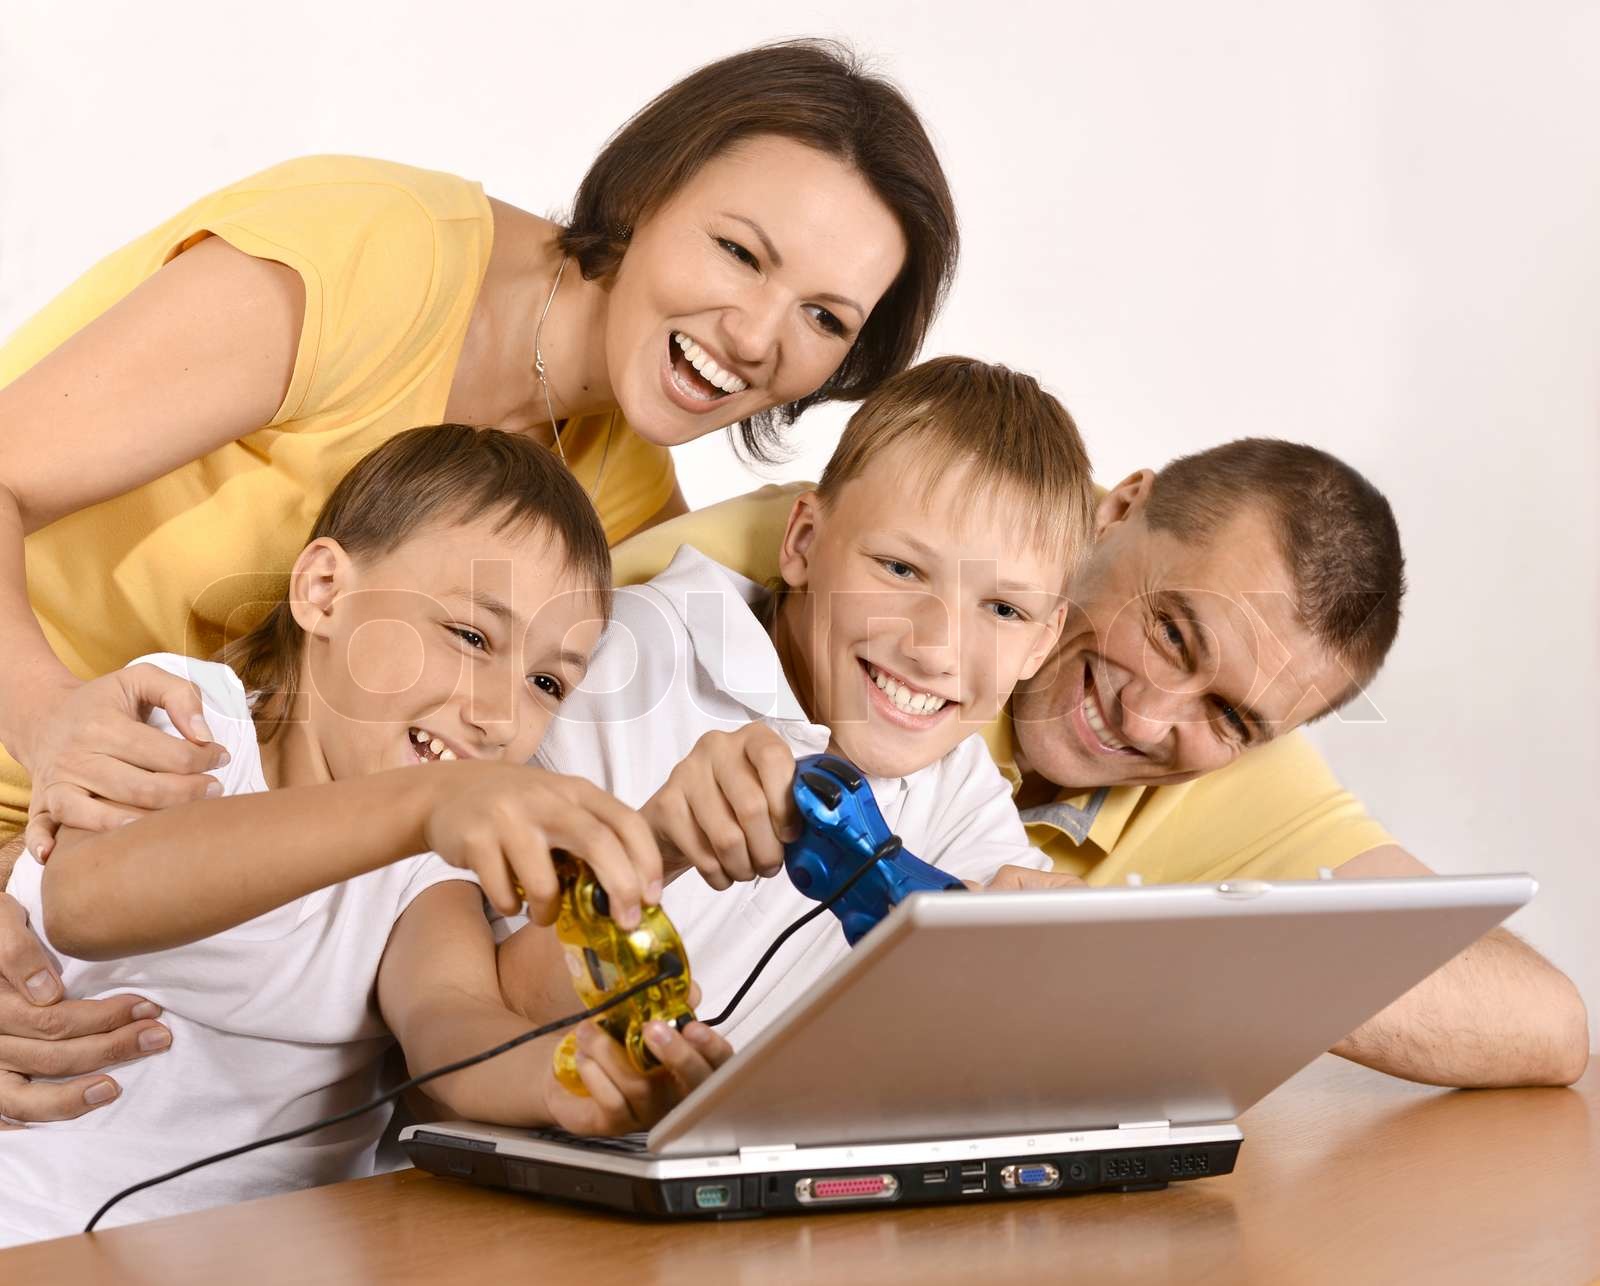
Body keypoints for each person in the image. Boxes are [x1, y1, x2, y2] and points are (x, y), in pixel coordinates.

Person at [0, 37, 959, 864]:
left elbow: (785, 615)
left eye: (825, 318)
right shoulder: (374, 259)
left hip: (115, 847)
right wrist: (46, 724)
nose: (754, 336)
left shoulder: (619, 487)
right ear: (648, 190)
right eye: (740, 253)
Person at [592, 439, 1589, 1088]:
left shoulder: (1230, 760)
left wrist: (1162, 954)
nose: (1146, 716)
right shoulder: (868, 535)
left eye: (1229, 716)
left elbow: (1546, 1021)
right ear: (1118, 509)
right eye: (1170, 631)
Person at [0, 425, 729, 1245]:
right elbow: (86, 900)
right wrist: (424, 803)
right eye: (471, 637)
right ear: (324, 592)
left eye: (545, 682)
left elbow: (451, 1024)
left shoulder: (424, 871)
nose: (499, 715)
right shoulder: (195, 720)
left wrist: (568, 1079)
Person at [498, 357, 1097, 1051]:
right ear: (804, 541)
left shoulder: (964, 794)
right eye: (901, 569)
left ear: (1041, 645)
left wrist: (1068, 968)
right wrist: (655, 849)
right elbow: (476, 1014)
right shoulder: (614, 662)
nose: (936, 649)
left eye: (1004, 609)